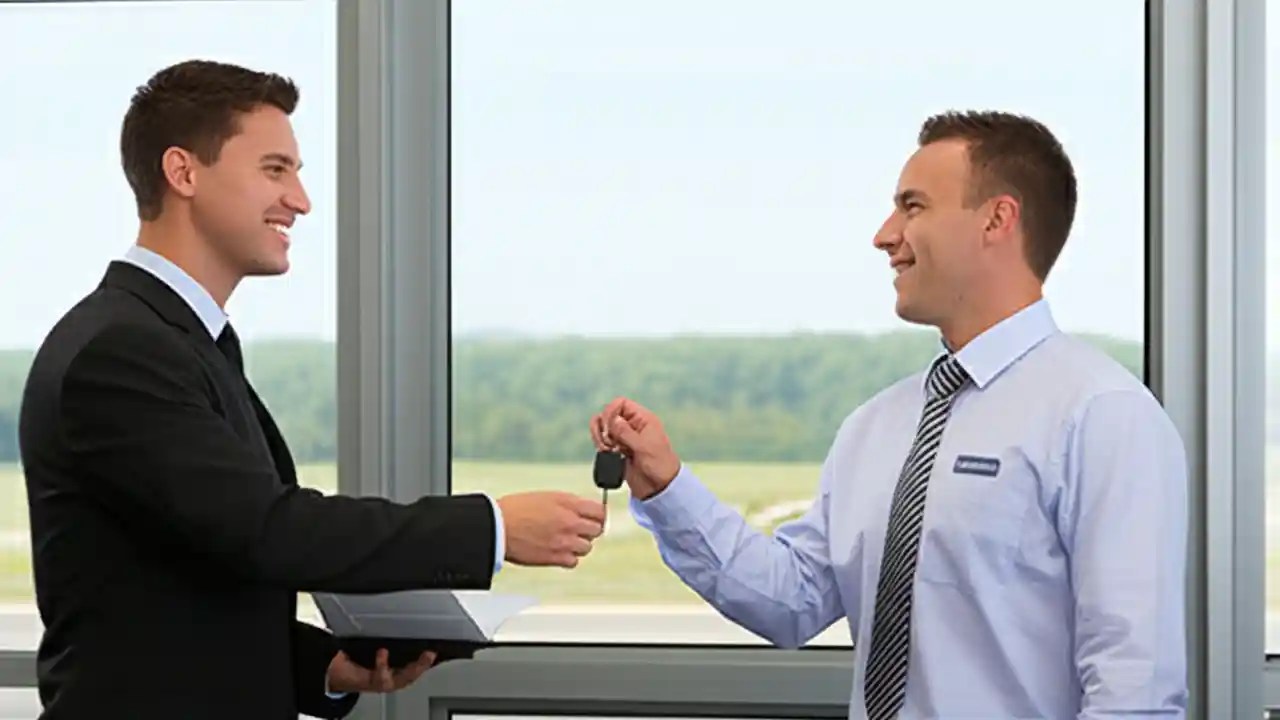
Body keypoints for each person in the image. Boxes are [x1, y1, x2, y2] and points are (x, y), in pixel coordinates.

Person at [18, 59, 606, 720]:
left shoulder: (173, 338)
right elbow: (268, 530)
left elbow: (184, 578)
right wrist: (492, 527)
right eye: (275, 169)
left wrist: (319, 667)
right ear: (182, 172)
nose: (300, 200)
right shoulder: (121, 351)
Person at [591, 111, 1188, 720]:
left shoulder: (1103, 417)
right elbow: (791, 600)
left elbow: (1132, 692)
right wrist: (667, 487)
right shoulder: (878, 426)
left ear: (997, 219)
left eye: (913, 206)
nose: (884, 234)